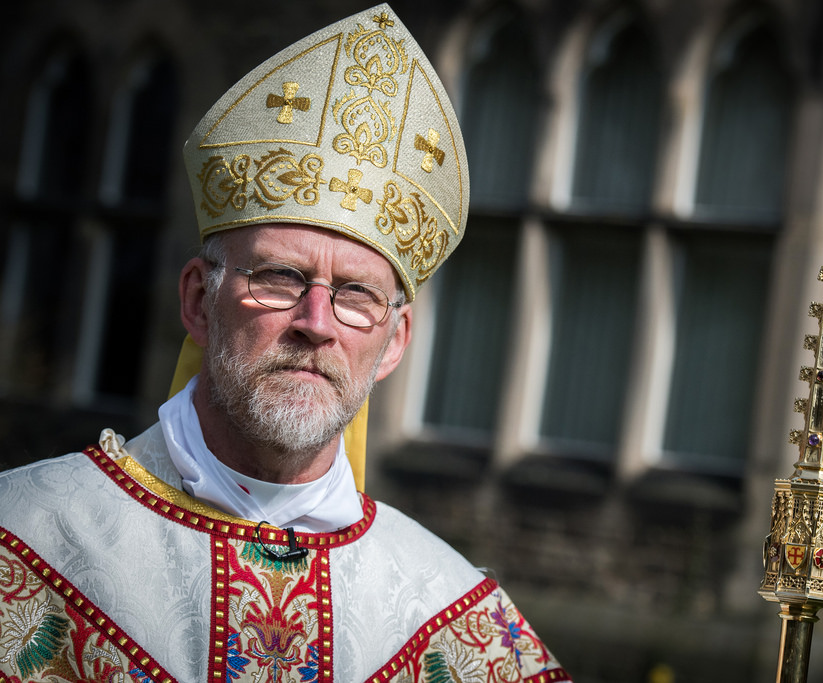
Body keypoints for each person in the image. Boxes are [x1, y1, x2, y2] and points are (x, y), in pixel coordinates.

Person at [0, 5, 571, 682]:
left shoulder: (454, 620)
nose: (317, 321)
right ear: (197, 301)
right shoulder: (28, 537)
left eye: (357, 294)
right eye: (279, 276)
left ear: (394, 343)